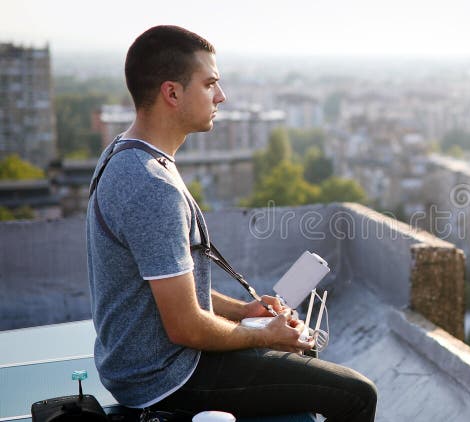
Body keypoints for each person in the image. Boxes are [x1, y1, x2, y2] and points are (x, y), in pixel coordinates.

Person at [86, 25, 377, 421]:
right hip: (166, 378)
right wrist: (265, 334)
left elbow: (170, 288)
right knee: (358, 395)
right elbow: (185, 327)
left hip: (141, 368)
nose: (221, 96)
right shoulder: (151, 186)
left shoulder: (123, 155)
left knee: (303, 359)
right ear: (172, 93)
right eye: (210, 85)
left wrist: (246, 311)